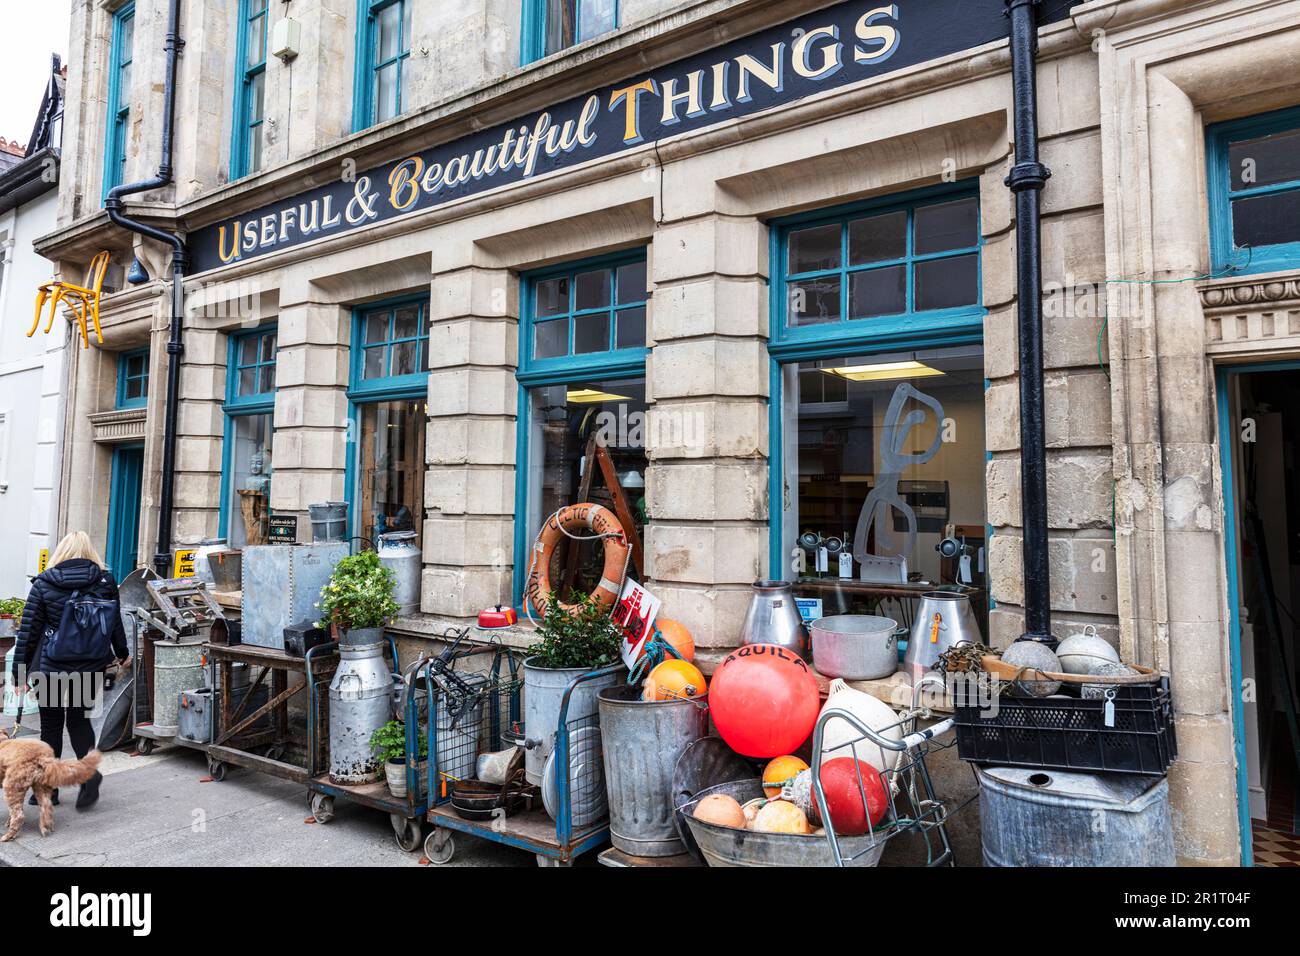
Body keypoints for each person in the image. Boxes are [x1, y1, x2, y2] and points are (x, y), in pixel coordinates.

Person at [11, 531, 131, 809]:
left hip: (51, 666)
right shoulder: (105, 581)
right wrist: (122, 653)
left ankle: (49, 790)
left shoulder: (44, 583)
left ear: (61, 552)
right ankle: (89, 777)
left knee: (50, 727)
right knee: (79, 722)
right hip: (90, 664)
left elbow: (29, 632)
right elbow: (114, 623)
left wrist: (19, 671)